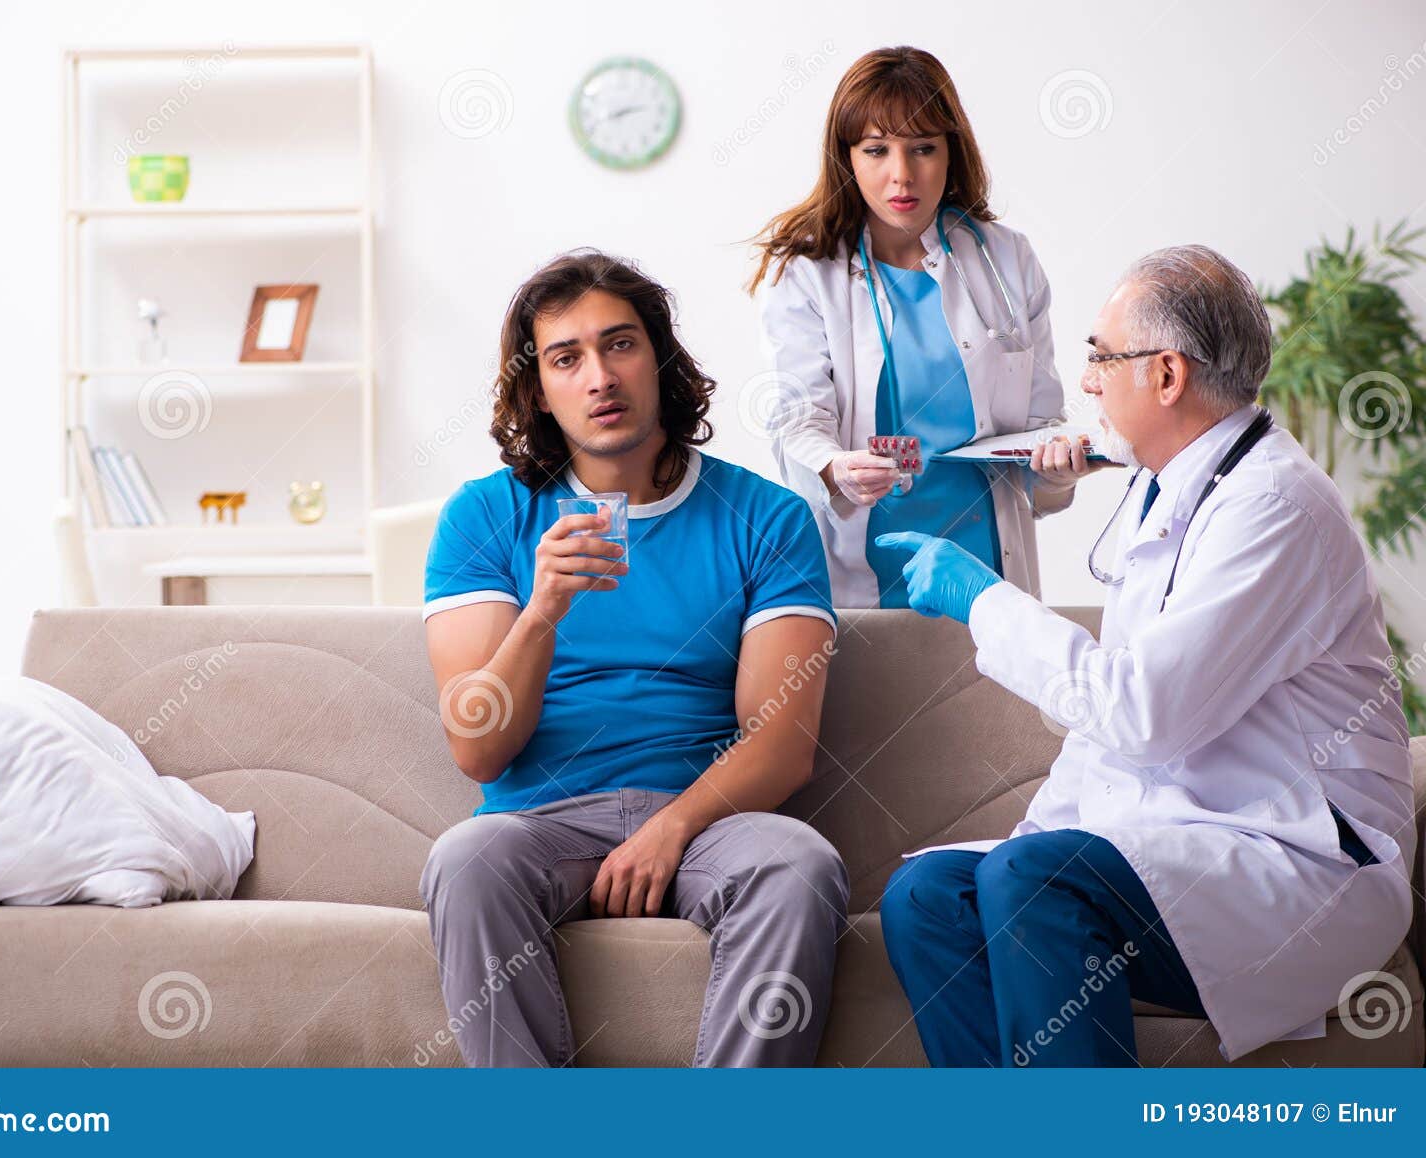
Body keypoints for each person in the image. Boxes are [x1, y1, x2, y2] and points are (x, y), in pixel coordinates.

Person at [874, 244, 1415, 1066]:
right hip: (1183, 840)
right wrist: (1026, 841)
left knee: (1038, 883)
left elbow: (1141, 713)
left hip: (1300, 861)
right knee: (925, 896)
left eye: (1099, 356)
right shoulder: (1163, 487)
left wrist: (982, 597)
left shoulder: (1272, 505)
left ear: (1166, 376)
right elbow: (1107, 740)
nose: (1086, 381)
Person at [418, 250, 849, 1067]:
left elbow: (785, 745)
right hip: (540, 821)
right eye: (565, 358)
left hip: (709, 820)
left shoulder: (769, 518)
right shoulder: (483, 517)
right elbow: (478, 748)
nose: (598, 377)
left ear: (661, 358)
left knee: (800, 861)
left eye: (620, 344)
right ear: (538, 388)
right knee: (465, 861)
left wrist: (672, 826)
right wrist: (542, 611)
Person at [751, 46, 1104, 609]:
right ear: (847, 159)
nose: (902, 175)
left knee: (996, 698)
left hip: (990, 574)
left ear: (951, 153)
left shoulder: (1007, 259)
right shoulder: (808, 276)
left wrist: (1059, 470)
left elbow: (1039, 432)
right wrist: (836, 467)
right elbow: (797, 419)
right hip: (862, 574)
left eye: (923, 148)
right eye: (876, 150)